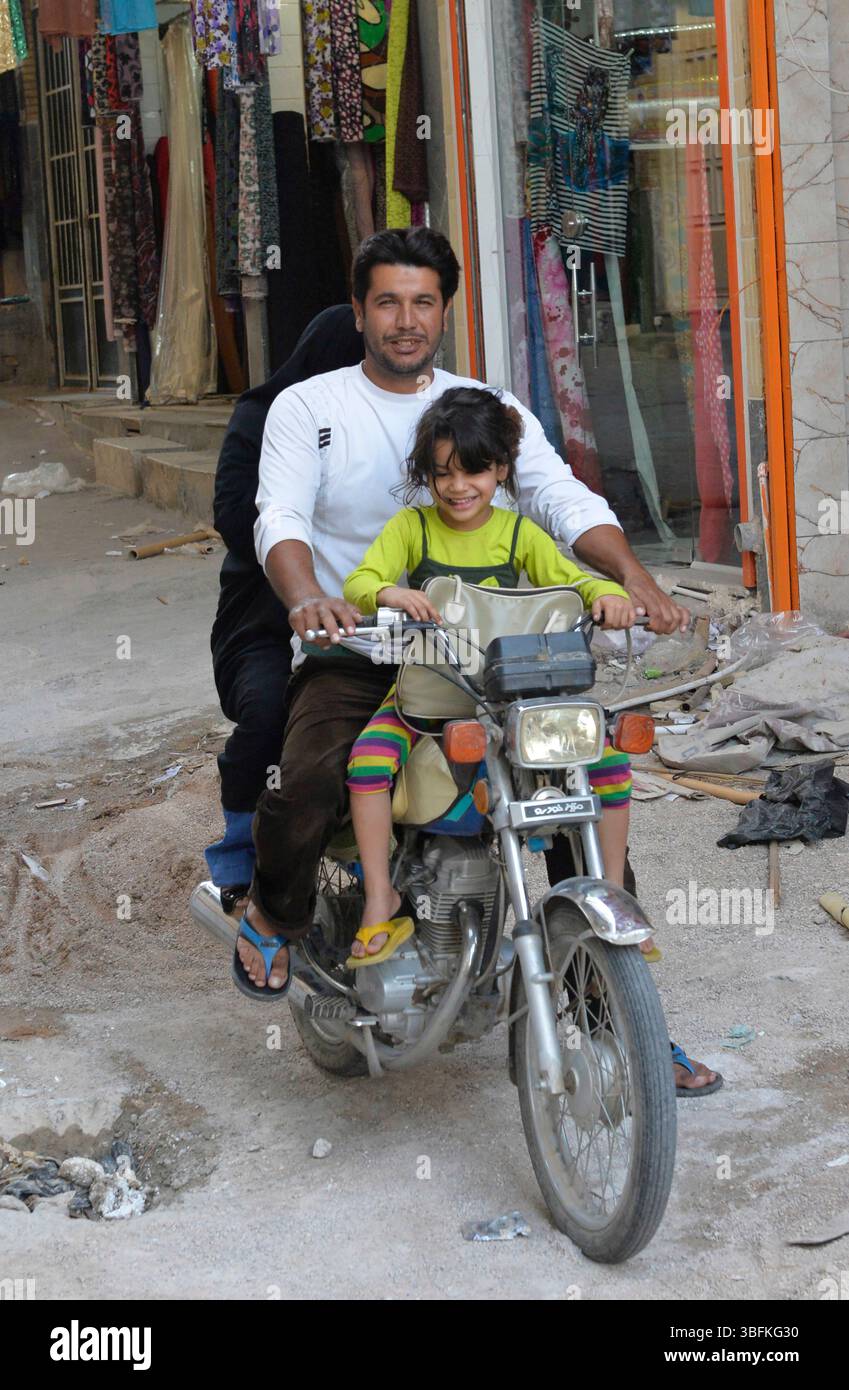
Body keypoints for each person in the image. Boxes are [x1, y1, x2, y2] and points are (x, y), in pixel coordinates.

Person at [226, 226, 720, 1097]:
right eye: (387, 301)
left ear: (444, 311)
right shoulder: (310, 406)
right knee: (305, 780)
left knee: (571, 784)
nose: (405, 319)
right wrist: (308, 597)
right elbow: (281, 518)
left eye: (422, 302)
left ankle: (623, 1019)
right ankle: (277, 911)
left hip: (488, 659)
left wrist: (634, 581)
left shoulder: (483, 407)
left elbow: (558, 499)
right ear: (358, 311)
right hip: (363, 647)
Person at [343, 385, 649, 963]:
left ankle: (612, 893)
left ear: (502, 469)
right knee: (368, 762)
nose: (458, 487)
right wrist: (392, 592)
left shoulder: (518, 533)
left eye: (475, 471)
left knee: (607, 759)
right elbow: (358, 584)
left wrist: (610, 594)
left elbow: (575, 578)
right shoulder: (412, 528)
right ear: (426, 476)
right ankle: (379, 898)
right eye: (443, 474)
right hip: (429, 693)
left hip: (509, 700)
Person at [205, 307, 364, 907]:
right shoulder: (264, 416)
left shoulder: (392, 419)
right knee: (270, 714)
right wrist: (303, 542)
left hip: (371, 612)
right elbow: (234, 520)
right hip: (266, 619)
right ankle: (240, 857)